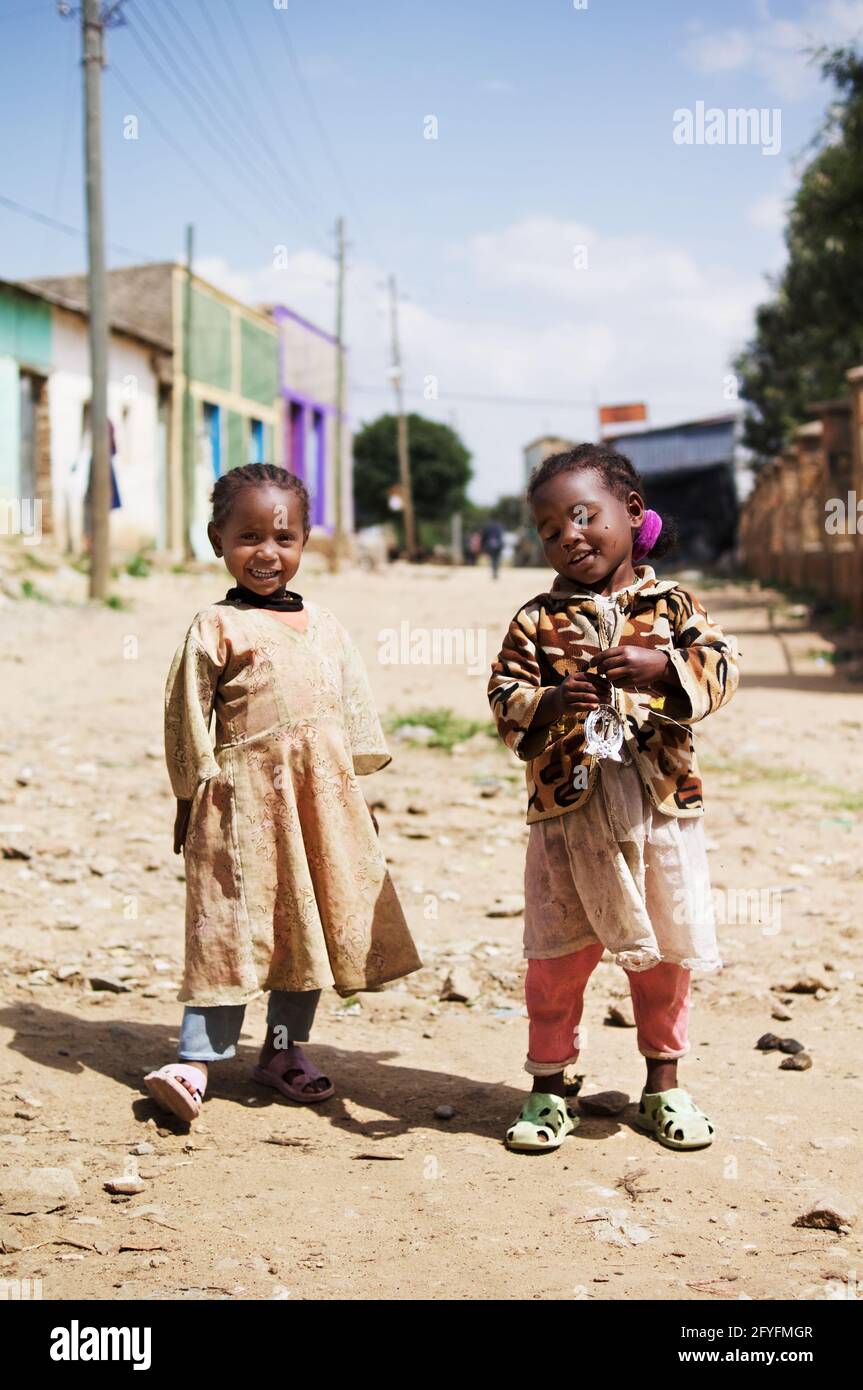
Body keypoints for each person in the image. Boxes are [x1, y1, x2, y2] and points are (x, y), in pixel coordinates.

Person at [144, 463, 421, 1122]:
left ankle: (281, 1051)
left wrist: (358, 804)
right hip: (238, 808)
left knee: (305, 932)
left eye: (284, 537)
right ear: (217, 540)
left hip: (320, 806)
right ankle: (194, 1061)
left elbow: (351, 716)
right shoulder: (215, 627)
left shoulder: (326, 626)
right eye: (248, 537)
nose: (266, 553)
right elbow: (185, 719)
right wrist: (191, 796)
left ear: (304, 543)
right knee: (227, 927)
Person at [487, 443, 740, 1153]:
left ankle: (663, 1083)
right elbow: (502, 696)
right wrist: (547, 704)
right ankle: (548, 1087)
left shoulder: (673, 605)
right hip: (568, 816)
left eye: (581, 516)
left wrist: (662, 667)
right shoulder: (536, 619)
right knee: (557, 956)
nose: (567, 536)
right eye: (548, 530)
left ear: (630, 513)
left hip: (659, 808)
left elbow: (720, 669)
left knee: (664, 953)